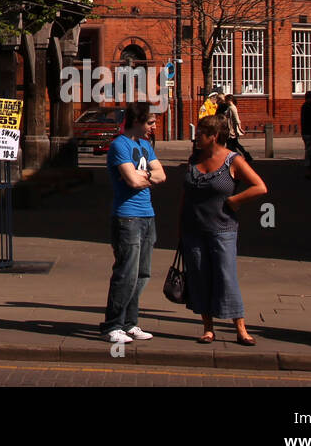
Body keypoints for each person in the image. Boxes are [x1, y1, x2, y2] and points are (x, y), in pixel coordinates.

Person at [178, 114, 267, 344]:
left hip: (222, 229)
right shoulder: (193, 159)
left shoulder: (233, 161)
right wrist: (180, 225)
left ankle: (241, 329)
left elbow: (260, 187)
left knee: (226, 278)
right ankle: (208, 328)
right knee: (199, 278)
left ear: (214, 136)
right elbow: (186, 195)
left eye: (200, 134)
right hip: (193, 230)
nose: (196, 137)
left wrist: (236, 200)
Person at [101, 102, 166, 344]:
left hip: (147, 215)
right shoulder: (120, 145)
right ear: (137, 121)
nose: (154, 126)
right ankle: (112, 325)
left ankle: (130, 323)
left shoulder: (145, 145)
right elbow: (133, 182)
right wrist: (145, 176)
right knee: (126, 273)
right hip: (127, 217)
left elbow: (162, 175)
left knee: (142, 274)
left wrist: (143, 175)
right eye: (150, 122)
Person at [219, 94, 249, 159]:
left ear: (230, 100)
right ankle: (245, 156)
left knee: (230, 146)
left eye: (226, 100)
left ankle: (238, 158)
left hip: (232, 130)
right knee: (234, 144)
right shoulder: (230, 107)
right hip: (230, 128)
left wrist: (240, 128)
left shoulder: (232, 107)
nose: (225, 101)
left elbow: (237, 118)